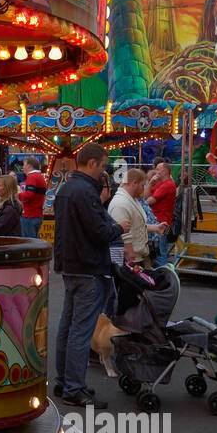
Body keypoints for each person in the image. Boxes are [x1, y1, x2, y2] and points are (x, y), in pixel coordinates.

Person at [52, 143, 130, 409]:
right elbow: (98, 231)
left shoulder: (65, 189)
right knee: (80, 331)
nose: (103, 171)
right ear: (93, 163)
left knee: (68, 325)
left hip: (70, 265)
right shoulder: (85, 191)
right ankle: (74, 388)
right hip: (88, 267)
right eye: (103, 165)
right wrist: (118, 228)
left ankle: (64, 381)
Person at [108, 169, 167, 265]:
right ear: (134, 183)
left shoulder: (132, 199)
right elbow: (123, 233)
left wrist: (156, 228)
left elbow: (136, 225)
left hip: (137, 257)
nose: (143, 188)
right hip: (130, 260)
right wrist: (131, 256)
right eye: (142, 185)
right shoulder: (120, 203)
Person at [146, 162, 177, 267]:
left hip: (161, 221)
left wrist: (138, 204)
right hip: (156, 220)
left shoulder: (168, 184)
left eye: (158, 169)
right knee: (157, 251)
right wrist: (150, 183)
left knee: (160, 252)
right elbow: (146, 194)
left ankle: (163, 275)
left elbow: (151, 200)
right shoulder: (159, 183)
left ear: (164, 171)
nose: (156, 171)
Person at [17, 155, 47, 239]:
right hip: (37, 214)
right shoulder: (39, 176)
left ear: (29, 165)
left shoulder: (32, 177)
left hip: (30, 215)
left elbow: (29, 195)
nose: (23, 167)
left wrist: (16, 196)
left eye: (24, 165)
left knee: (28, 243)